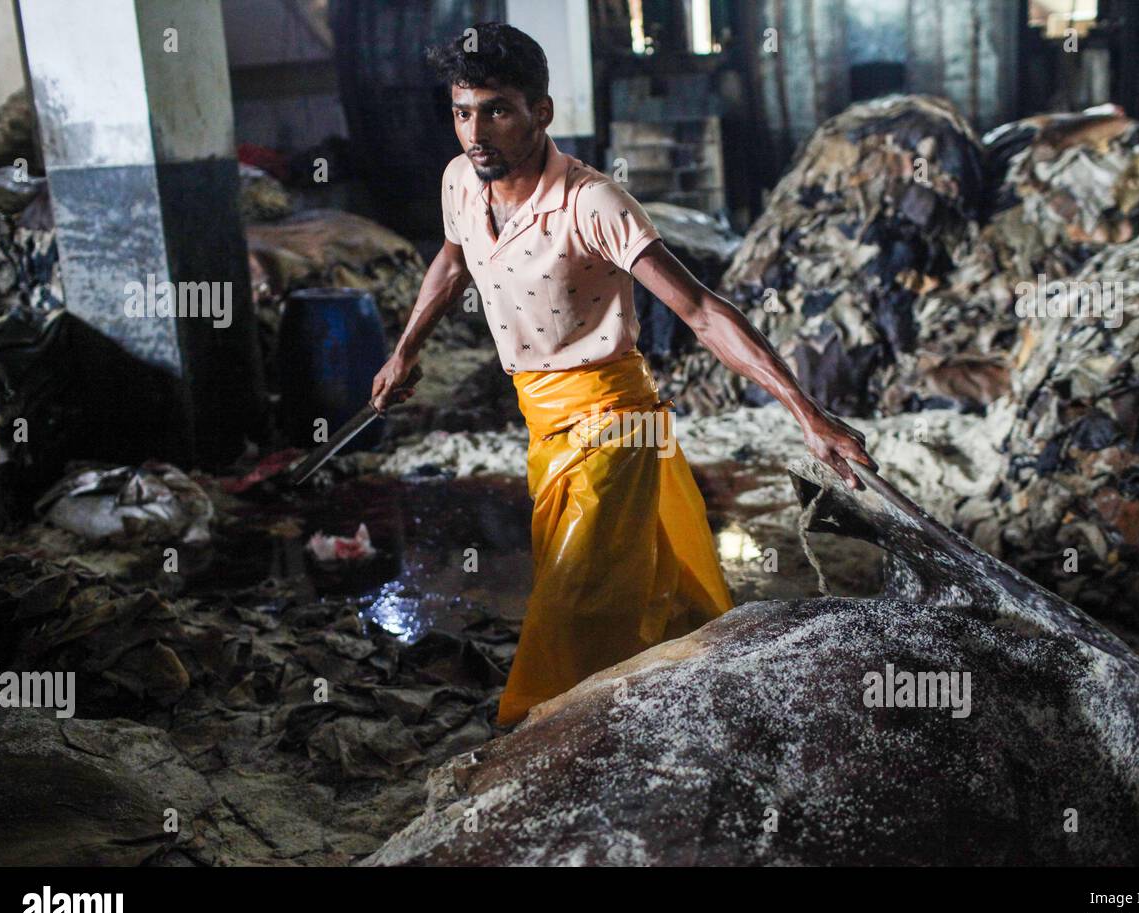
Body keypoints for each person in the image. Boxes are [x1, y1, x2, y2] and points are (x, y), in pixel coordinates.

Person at [371, 22, 876, 726]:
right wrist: (407, 350)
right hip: (542, 423)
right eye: (463, 112)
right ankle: (684, 712)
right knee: (635, 586)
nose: (476, 131)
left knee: (579, 596)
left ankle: (543, 734)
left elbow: (701, 309)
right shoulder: (461, 181)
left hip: (616, 421)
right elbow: (453, 262)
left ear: (541, 112)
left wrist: (806, 412)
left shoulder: (592, 202)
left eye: (497, 110)